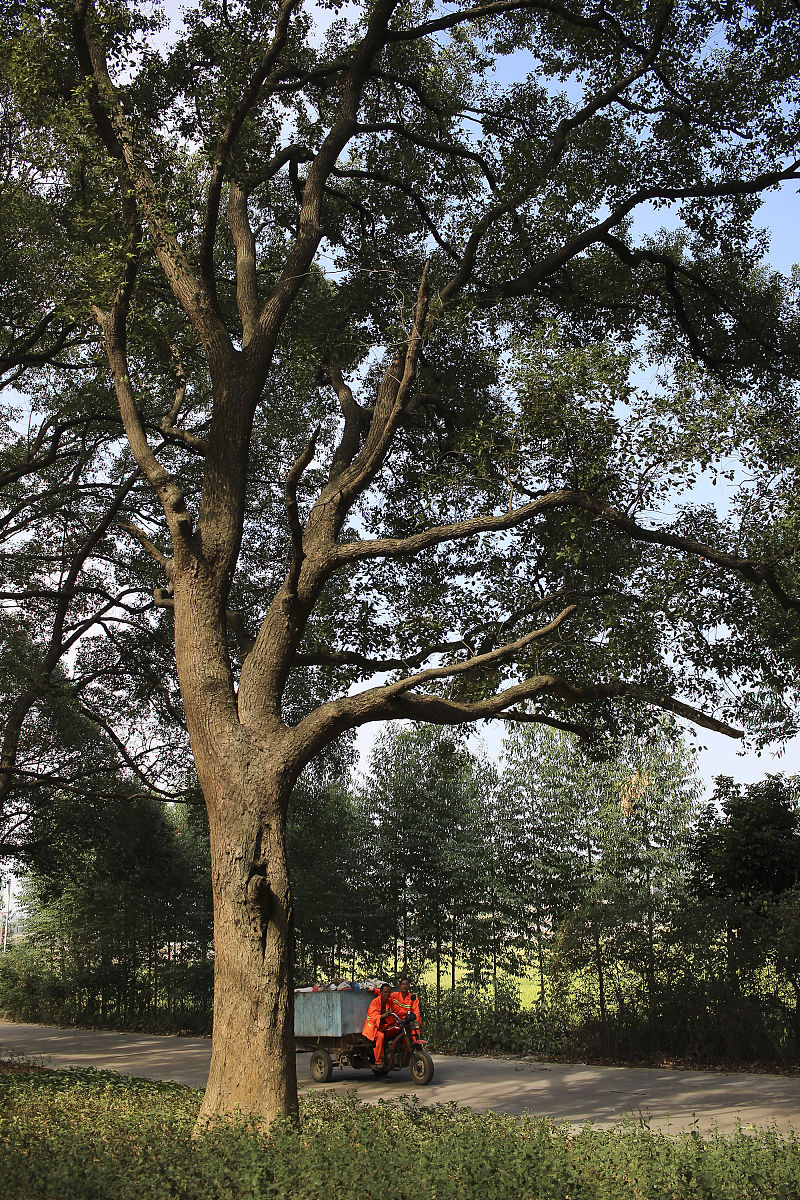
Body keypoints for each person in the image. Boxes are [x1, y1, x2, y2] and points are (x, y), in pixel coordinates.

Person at [362, 981, 393, 1066]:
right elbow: (374, 1016)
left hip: (384, 1026)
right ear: (381, 992)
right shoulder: (374, 1002)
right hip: (372, 1028)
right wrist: (383, 1015)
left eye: (388, 992)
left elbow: (396, 1010)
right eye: (385, 992)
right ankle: (379, 1060)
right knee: (380, 1036)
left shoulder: (390, 1001)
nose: (387, 994)